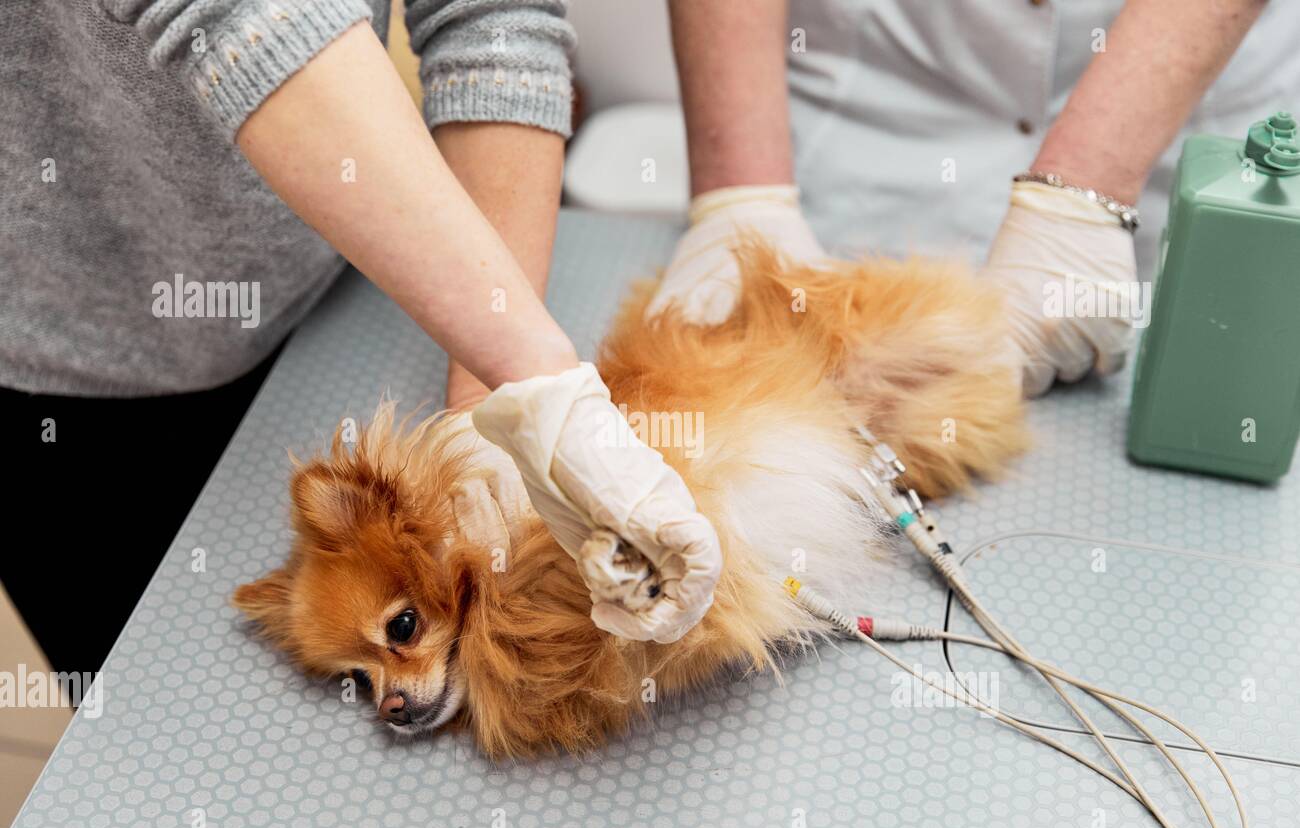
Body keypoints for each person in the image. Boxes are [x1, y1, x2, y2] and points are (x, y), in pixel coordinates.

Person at [0, 0, 720, 676]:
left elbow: (494, 17)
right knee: (143, 693)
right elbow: (238, 14)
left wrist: (485, 401)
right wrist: (536, 377)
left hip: (324, 291)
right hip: (61, 370)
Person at [653, 0, 1292, 396]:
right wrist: (740, 195)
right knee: (819, 371)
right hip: (879, 94)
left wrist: (1083, 198)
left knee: (1194, 401)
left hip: (1181, 96)